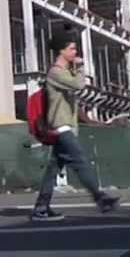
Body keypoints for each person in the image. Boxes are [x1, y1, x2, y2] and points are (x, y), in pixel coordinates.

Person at [31, 30, 121, 222]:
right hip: (61, 128)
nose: (75, 53)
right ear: (62, 51)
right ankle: (100, 199)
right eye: (71, 49)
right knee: (81, 163)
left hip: (65, 127)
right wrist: (79, 69)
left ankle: (41, 208)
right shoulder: (55, 72)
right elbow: (79, 85)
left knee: (52, 171)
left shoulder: (65, 72)